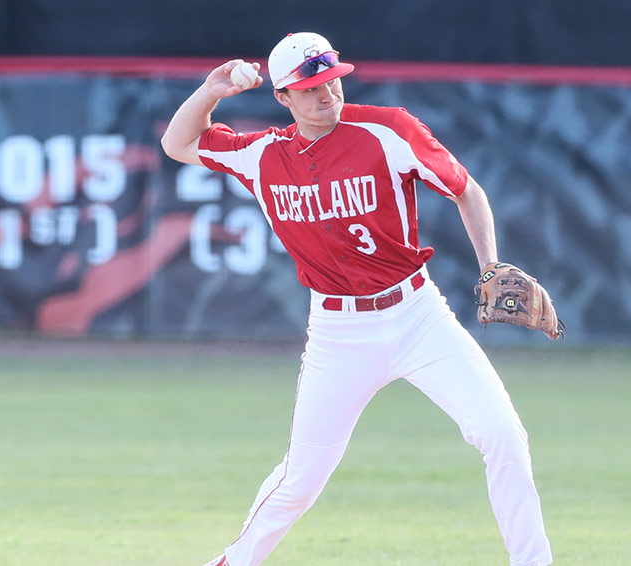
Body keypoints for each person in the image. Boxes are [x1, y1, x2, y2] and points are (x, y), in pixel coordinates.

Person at [161, 32, 553, 566]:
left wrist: (490, 265)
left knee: (504, 434)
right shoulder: (263, 155)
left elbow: (466, 188)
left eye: (332, 81)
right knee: (301, 478)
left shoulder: (387, 129)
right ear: (283, 98)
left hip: (417, 315)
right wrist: (211, 92)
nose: (327, 95)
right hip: (337, 333)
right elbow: (178, 144)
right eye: (311, 88)